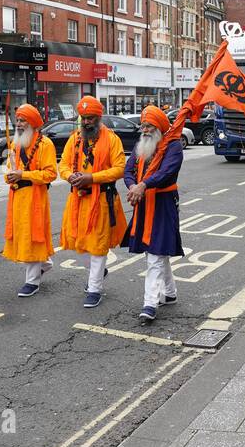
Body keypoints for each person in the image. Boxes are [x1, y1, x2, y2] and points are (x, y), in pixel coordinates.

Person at [59, 96, 128, 309]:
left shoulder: (112, 139)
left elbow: (119, 168)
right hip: (78, 201)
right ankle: (98, 273)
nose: (86, 122)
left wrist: (92, 177)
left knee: (98, 247)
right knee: (80, 244)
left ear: (98, 118)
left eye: (90, 118)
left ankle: (94, 289)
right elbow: (63, 165)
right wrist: (70, 176)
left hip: (102, 200)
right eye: (83, 118)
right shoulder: (75, 139)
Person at [123, 106, 184, 324]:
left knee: (156, 253)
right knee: (155, 253)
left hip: (164, 203)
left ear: (159, 127)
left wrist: (143, 185)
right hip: (143, 202)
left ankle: (150, 303)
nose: (145, 129)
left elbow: (166, 173)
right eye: (144, 125)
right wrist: (133, 187)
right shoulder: (142, 146)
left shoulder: (174, 146)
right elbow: (128, 170)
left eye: (149, 126)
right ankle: (169, 292)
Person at [3, 103, 57, 297]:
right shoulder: (15, 144)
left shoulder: (45, 144)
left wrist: (23, 175)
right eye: (17, 120)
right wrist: (9, 175)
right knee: (22, 235)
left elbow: (50, 174)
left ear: (33, 123)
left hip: (35, 197)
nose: (18, 123)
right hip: (16, 197)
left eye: (22, 120)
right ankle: (45, 263)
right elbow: (9, 167)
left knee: (32, 236)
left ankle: (32, 281)